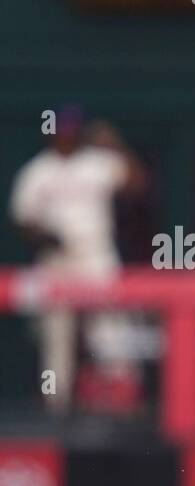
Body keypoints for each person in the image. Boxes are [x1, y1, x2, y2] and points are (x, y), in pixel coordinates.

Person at [9, 107, 146, 415]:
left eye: (71, 129)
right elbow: (22, 218)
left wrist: (115, 145)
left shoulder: (96, 163)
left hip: (96, 256)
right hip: (56, 260)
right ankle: (55, 405)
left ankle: (122, 396)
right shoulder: (38, 171)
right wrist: (44, 235)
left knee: (110, 327)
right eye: (61, 130)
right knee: (56, 334)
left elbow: (136, 182)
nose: (66, 135)